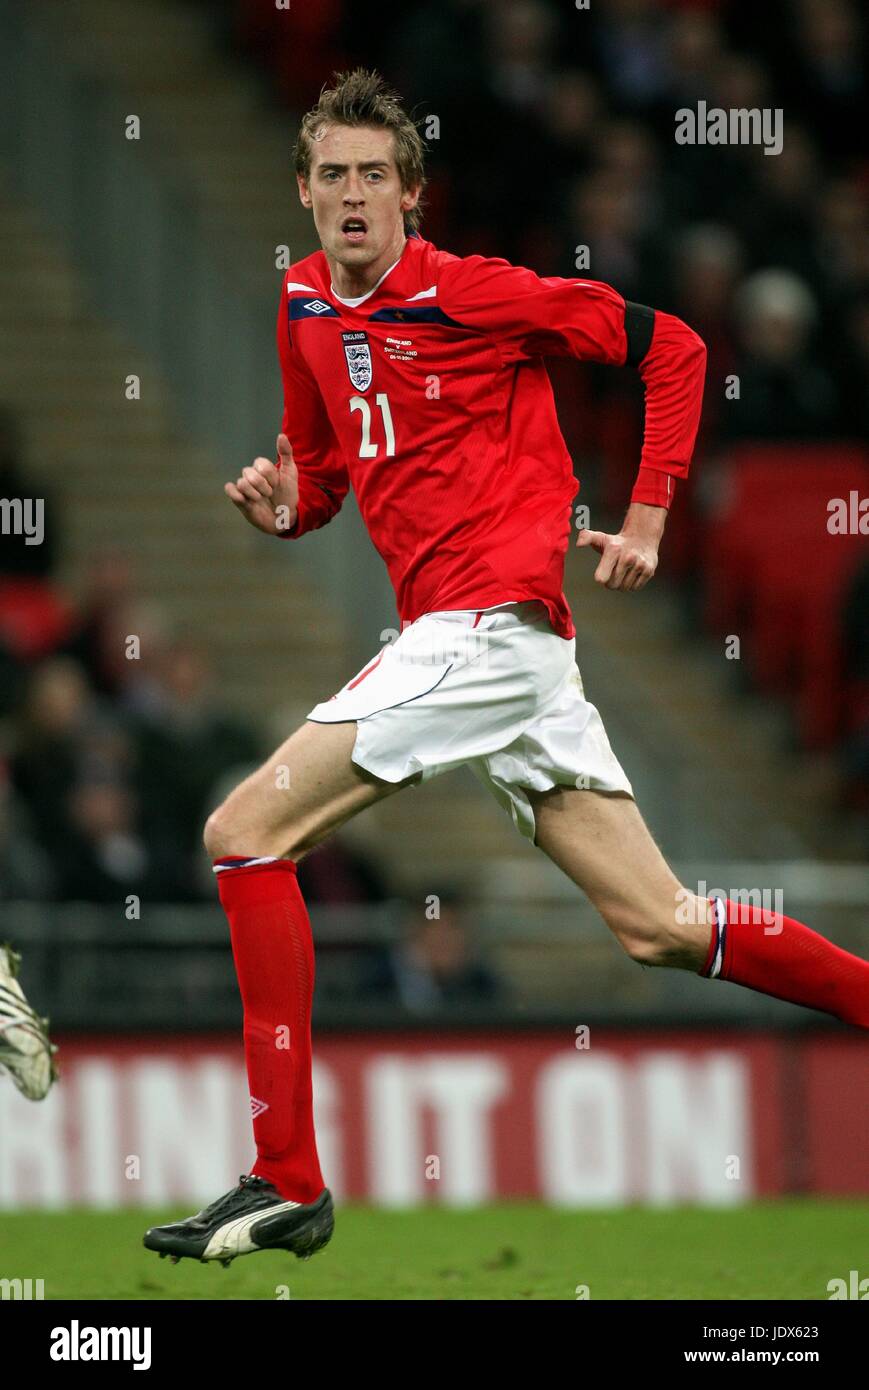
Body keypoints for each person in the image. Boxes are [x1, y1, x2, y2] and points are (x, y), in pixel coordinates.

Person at [141, 69, 869, 1270]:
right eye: (333, 175)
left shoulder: (479, 296)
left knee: (243, 831)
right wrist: (281, 509)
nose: (354, 196)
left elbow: (673, 348)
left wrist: (644, 519)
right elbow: (322, 477)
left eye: (377, 175)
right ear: (304, 192)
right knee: (660, 925)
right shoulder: (302, 308)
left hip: (489, 625)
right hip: (476, 645)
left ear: (412, 195)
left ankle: (285, 1179)